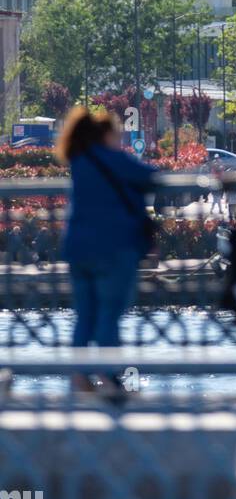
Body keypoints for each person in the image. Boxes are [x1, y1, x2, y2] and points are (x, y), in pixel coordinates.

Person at [57, 107, 156, 377]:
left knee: (84, 316)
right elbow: (150, 175)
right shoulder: (112, 158)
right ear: (107, 135)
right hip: (113, 247)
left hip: (78, 249)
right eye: (118, 134)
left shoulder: (79, 158)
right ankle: (109, 377)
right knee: (109, 314)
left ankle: (78, 378)